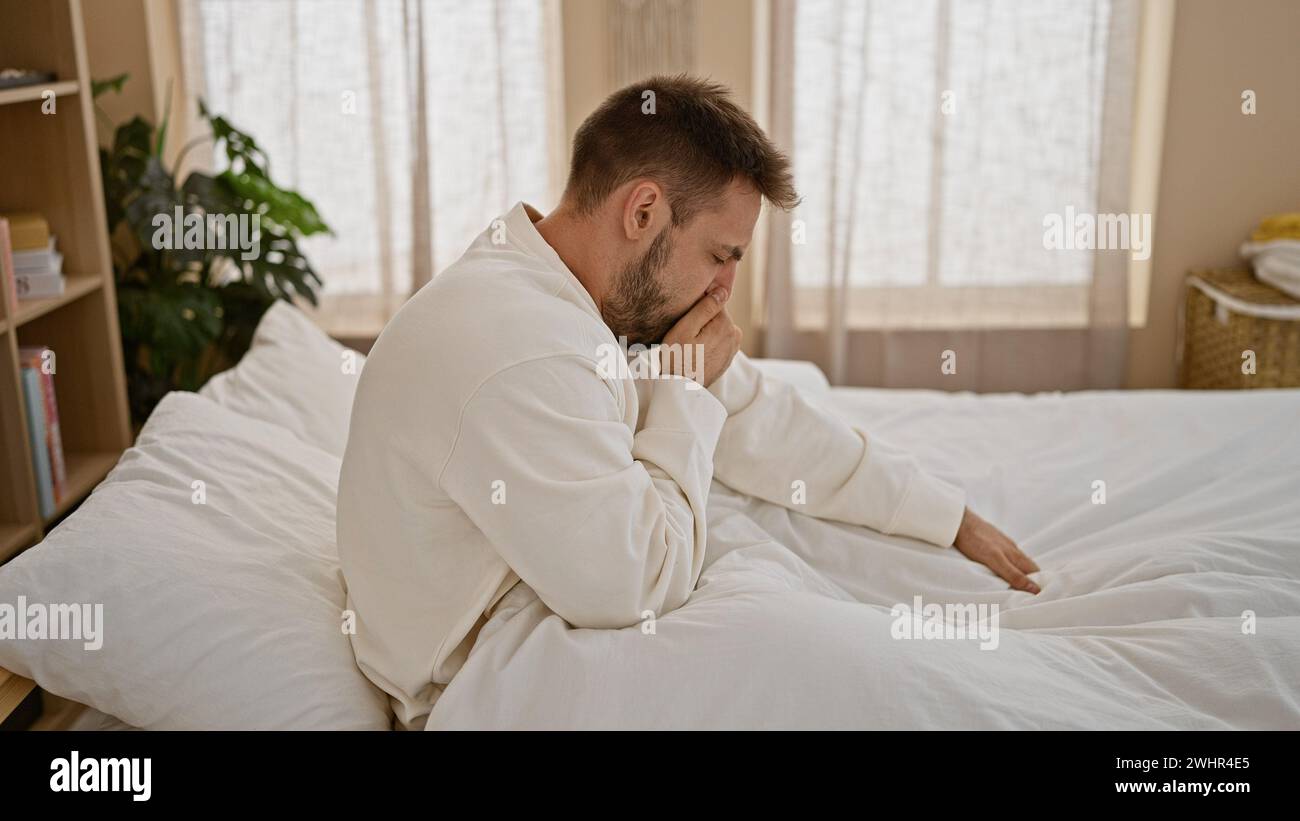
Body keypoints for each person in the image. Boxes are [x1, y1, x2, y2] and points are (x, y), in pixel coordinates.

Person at [337, 75, 1040, 730]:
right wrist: (679, 392)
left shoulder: (582, 291)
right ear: (643, 210)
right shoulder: (524, 348)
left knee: (805, 531)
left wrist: (945, 516)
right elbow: (638, 583)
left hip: (549, 578)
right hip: (485, 666)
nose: (726, 287)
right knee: (826, 657)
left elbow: (752, 411)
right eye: (720, 254)